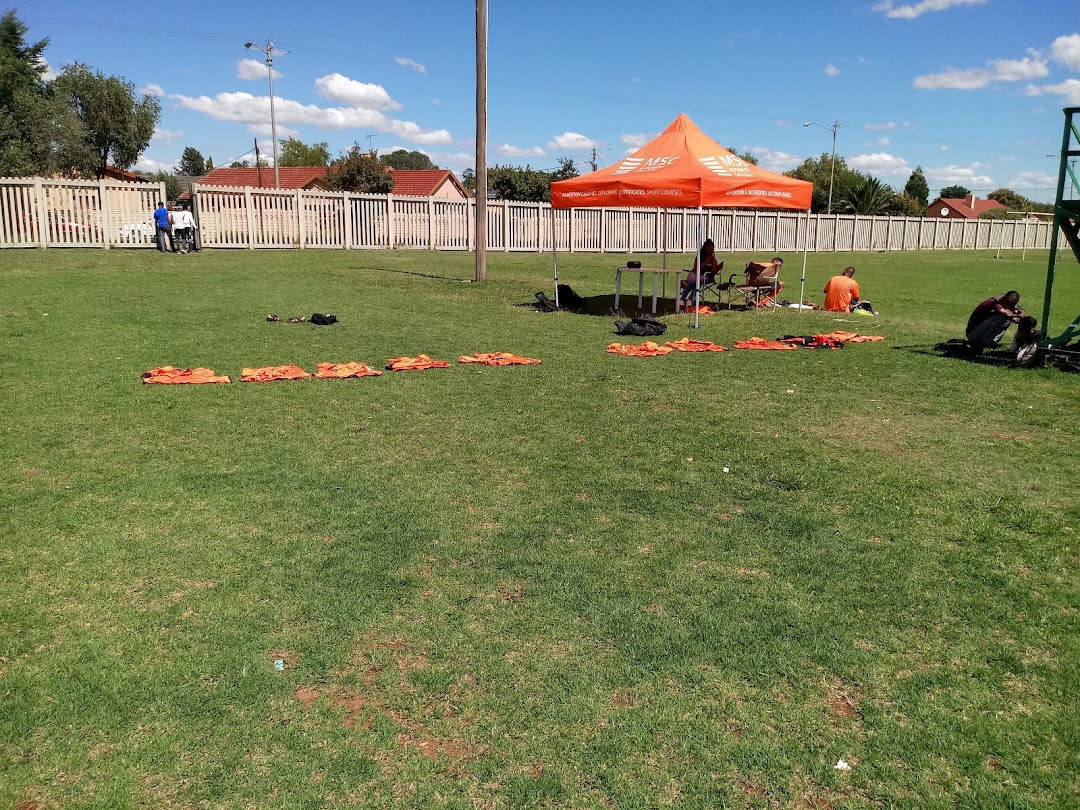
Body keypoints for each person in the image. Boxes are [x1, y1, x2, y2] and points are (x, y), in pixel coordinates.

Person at [681, 238, 722, 304]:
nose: (710, 252)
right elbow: (696, 268)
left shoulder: (715, 258)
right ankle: (682, 299)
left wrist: (714, 261)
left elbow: (714, 271)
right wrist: (705, 262)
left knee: (699, 280)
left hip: (707, 276)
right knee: (692, 280)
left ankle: (690, 299)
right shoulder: (700, 257)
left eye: (712, 250)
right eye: (709, 250)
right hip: (695, 272)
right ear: (705, 249)